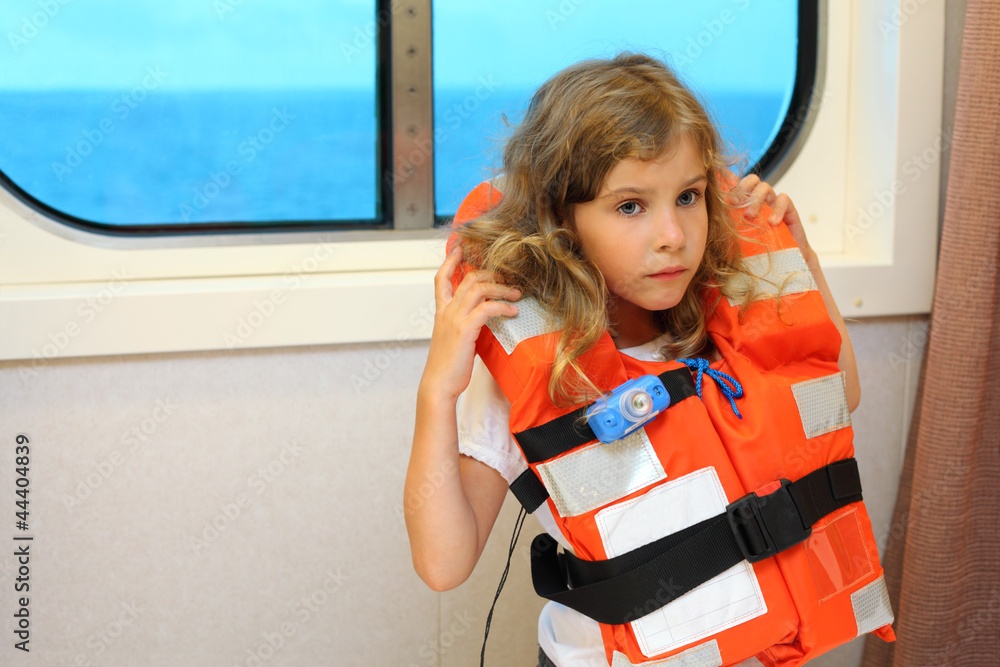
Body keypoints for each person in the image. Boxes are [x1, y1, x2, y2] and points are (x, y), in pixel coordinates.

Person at [404, 53, 892, 667]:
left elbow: (838, 393)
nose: (673, 235)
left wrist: (798, 264)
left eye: (688, 196)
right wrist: (436, 392)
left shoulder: (723, 323)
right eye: (630, 206)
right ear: (563, 220)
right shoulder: (530, 375)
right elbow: (443, 564)